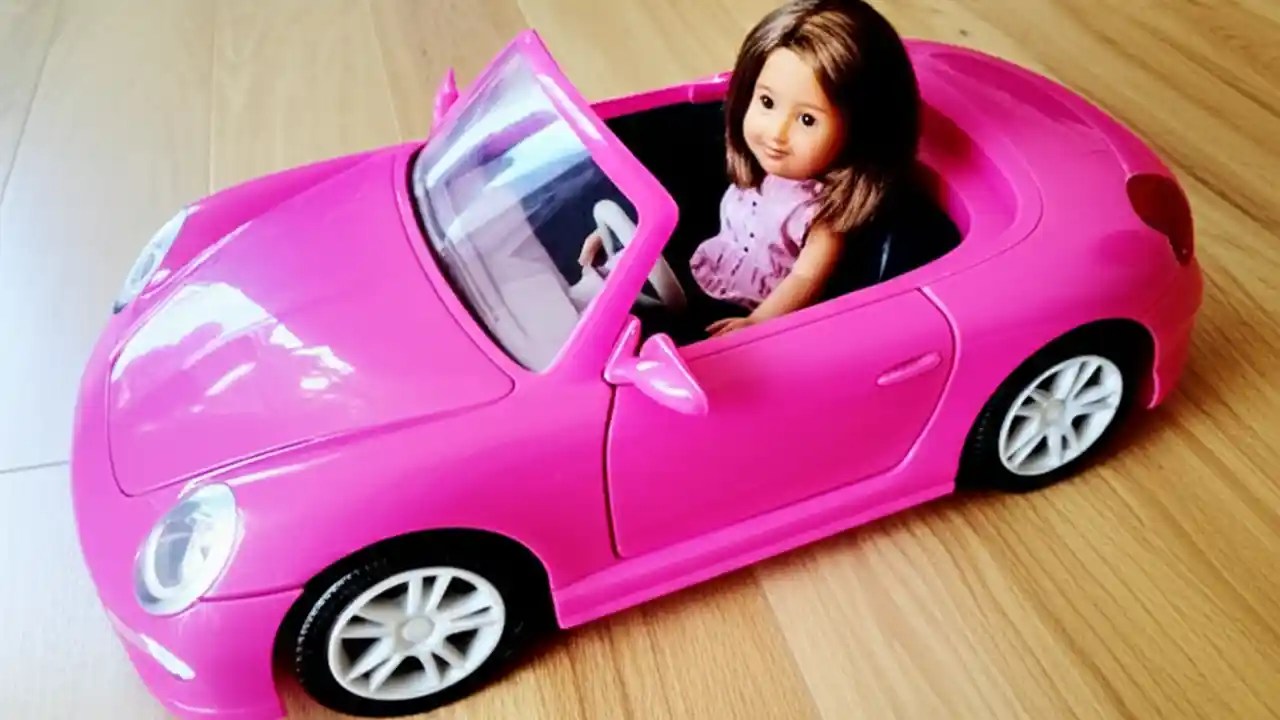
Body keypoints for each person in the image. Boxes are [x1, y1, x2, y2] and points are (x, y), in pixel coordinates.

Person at [581, 0, 922, 338]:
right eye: (767, 103)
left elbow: (804, 280)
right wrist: (620, 239)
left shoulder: (820, 215)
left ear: (859, 132)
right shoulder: (757, 168)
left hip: (744, 308)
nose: (777, 133)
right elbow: (676, 214)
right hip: (707, 266)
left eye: (807, 119)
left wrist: (758, 324)